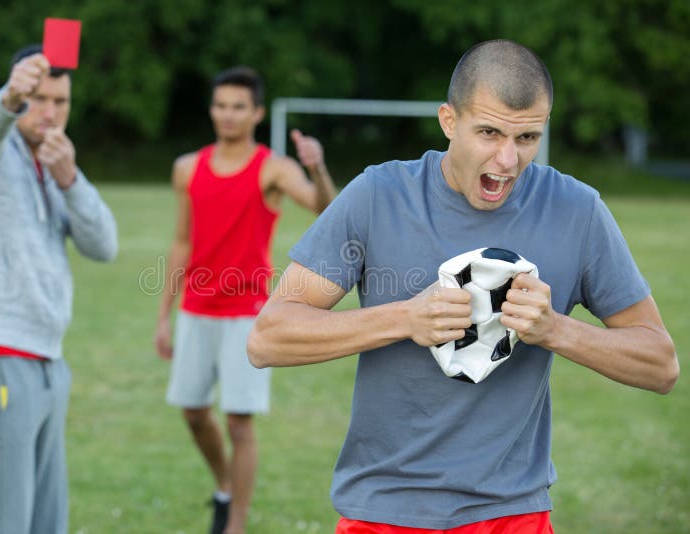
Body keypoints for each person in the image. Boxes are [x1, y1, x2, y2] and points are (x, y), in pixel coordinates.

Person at [247, 39, 679, 533]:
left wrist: (555, 329)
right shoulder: (377, 196)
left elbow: (661, 364)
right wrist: (405, 318)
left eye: (527, 138)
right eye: (489, 132)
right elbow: (269, 338)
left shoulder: (576, 210)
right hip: (383, 510)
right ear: (449, 121)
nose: (508, 159)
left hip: (512, 513)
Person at [154, 66, 336, 534]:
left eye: (239, 106)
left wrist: (316, 167)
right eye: (220, 105)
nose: (228, 115)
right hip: (196, 310)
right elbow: (181, 241)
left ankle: (233, 525)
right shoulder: (187, 168)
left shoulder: (273, 168)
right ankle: (224, 484)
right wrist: (163, 315)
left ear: (256, 112)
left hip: (246, 315)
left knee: (239, 424)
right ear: (212, 109)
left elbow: (324, 208)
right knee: (193, 412)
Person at [0, 44, 117, 534]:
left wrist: (71, 180)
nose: (50, 112)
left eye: (61, 101)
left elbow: (104, 245)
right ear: (19, 93)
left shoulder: (50, 164)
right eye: (38, 98)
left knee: (46, 520)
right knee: (4, 520)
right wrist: (6, 99)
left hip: (48, 360)